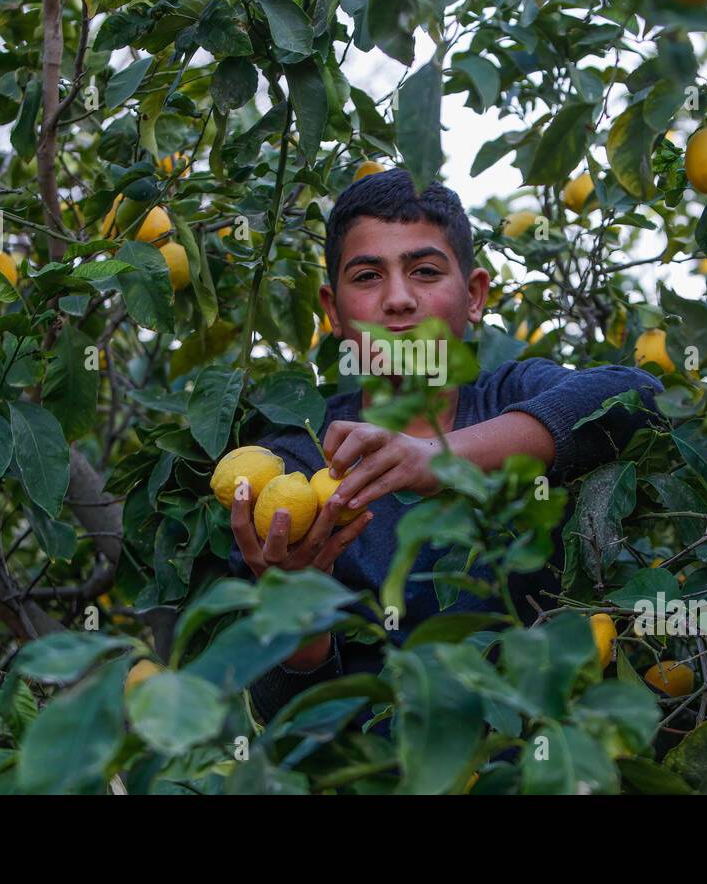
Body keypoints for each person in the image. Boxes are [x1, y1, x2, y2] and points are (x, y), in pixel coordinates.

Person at [228, 168, 664, 722]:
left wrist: (441, 457)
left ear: (475, 294)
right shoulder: (298, 463)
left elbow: (640, 396)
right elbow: (283, 714)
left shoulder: (510, 394)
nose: (399, 300)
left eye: (425, 271)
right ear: (333, 311)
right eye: (367, 277)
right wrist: (298, 611)